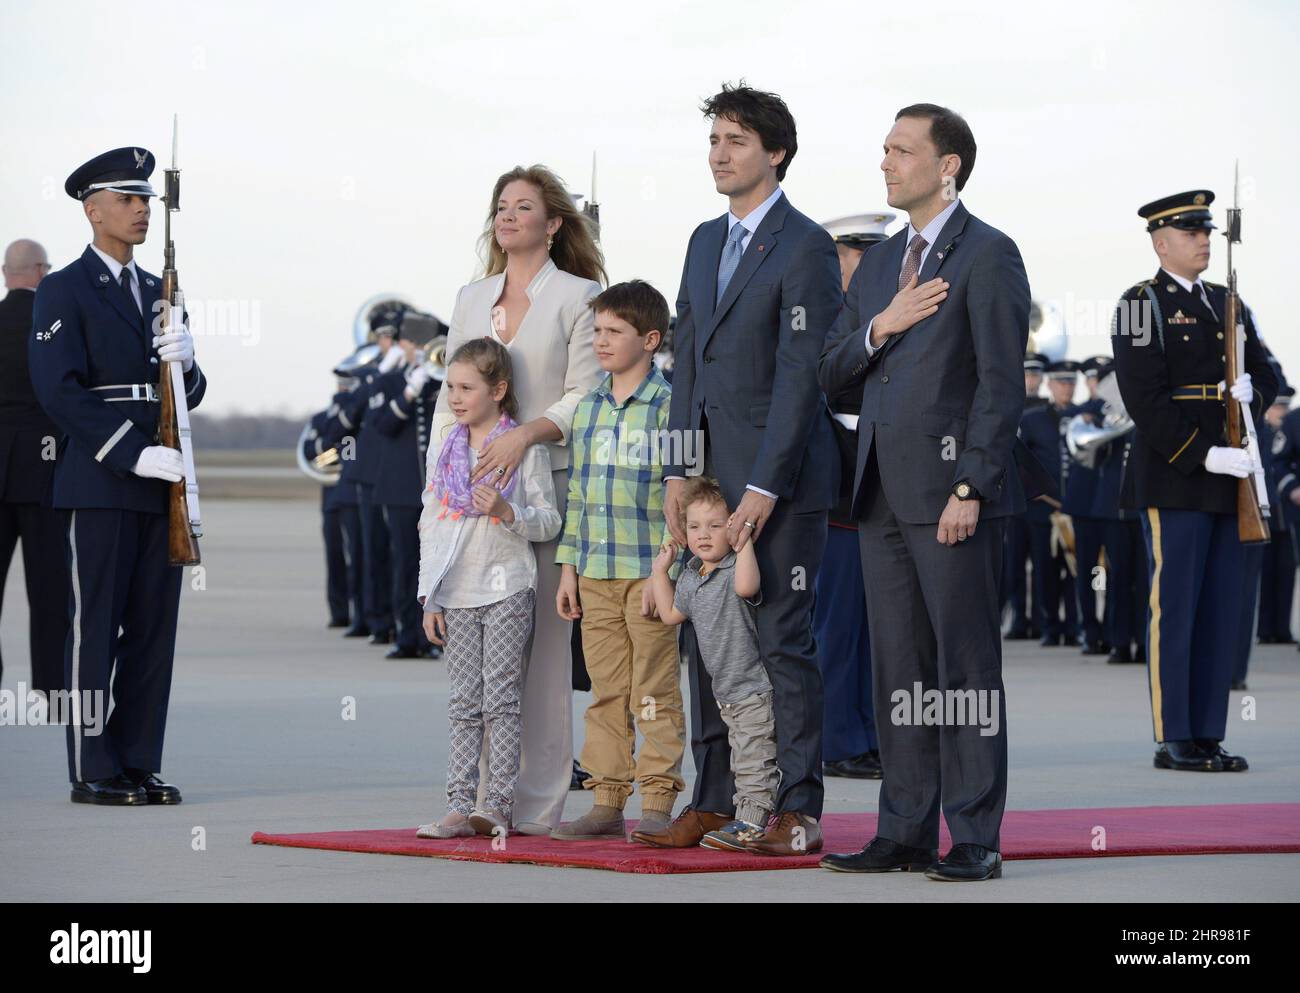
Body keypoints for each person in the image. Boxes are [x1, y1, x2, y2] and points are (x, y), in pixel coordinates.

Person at [818, 104, 1029, 881]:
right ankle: (904, 828)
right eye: (883, 148)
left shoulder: (990, 255)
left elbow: (1002, 386)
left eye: (902, 150)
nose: (886, 161)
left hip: (950, 497)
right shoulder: (878, 267)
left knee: (964, 670)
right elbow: (832, 369)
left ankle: (974, 833)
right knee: (899, 670)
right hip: (878, 497)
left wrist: (971, 481)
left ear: (949, 167)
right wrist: (883, 325)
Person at [634, 83, 842, 856]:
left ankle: (793, 804)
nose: (719, 154)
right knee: (707, 639)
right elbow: (686, 362)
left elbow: (802, 374)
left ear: (775, 153)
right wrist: (678, 473)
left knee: (780, 638)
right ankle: (718, 798)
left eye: (736, 141)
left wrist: (763, 485)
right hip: (707, 482)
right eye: (714, 140)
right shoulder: (699, 241)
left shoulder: (807, 245)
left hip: (778, 482)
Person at [429, 164, 605, 834]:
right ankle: (473, 799)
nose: (507, 216)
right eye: (501, 205)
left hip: (544, 486)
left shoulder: (580, 296)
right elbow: (454, 392)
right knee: (474, 663)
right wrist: (439, 480)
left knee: (542, 654)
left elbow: (585, 394)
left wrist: (524, 436)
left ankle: (534, 805)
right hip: (469, 498)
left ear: (553, 222)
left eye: (523, 206)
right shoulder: (471, 296)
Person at [29, 147, 207, 804]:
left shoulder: (160, 290)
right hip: (103, 478)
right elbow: (59, 389)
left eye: (146, 201)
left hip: (162, 481)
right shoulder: (64, 287)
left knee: (153, 629)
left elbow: (188, 389)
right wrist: (129, 450)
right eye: (128, 200)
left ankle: (138, 759)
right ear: (92, 208)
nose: (140, 211)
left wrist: (184, 363)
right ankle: (92, 765)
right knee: (96, 625)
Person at [1110, 189, 1276, 772]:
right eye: (1190, 233)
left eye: (1206, 232)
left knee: (1220, 609)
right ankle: (1173, 735)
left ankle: (1208, 732)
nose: (1204, 240)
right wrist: (1203, 454)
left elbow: (1270, 374)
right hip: (1177, 476)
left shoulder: (1229, 303)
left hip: (1231, 477)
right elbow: (1144, 401)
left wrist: (1254, 388)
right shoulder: (1140, 304)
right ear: (1161, 242)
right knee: (1175, 607)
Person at [548, 281, 685, 842]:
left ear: (650, 339)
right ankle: (607, 799)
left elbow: (686, 495)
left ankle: (657, 801)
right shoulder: (586, 409)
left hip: (647, 575)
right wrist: (568, 568)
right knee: (606, 691)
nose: (601, 341)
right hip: (595, 573)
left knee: (652, 690)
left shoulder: (673, 406)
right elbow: (578, 494)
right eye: (597, 330)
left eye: (614, 332)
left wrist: (666, 573)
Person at [415, 339, 561, 837]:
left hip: (507, 588)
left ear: (498, 390)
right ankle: (458, 803)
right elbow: (431, 521)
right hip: (455, 590)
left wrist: (506, 512)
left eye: (466, 387)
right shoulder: (444, 446)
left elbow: (548, 521)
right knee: (462, 701)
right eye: (450, 387)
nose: (455, 397)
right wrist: (428, 595)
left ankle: (496, 803)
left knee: (501, 700)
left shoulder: (522, 448)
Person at [648, 477, 778, 852]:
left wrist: (745, 543)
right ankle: (743, 819)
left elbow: (747, 588)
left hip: (752, 686)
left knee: (754, 758)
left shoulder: (734, 566)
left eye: (715, 526)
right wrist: (660, 573)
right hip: (726, 691)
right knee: (741, 755)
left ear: (732, 527)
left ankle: (752, 823)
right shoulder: (691, 574)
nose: (703, 535)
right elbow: (672, 614)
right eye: (694, 527)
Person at [815, 213, 894, 780]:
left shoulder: (889, 317)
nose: (867, 265)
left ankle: (868, 736)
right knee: (837, 627)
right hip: (836, 492)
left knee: (875, 628)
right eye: (856, 253)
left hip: (883, 487)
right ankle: (839, 739)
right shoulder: (820, 319)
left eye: (875, 254)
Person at [1, 238, 69, 694]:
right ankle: (56, 691)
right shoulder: (52, 327)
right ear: (42, 271)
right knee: (51, 594)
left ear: (6, 272)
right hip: (45, 474)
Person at [373, 320, 444, 659]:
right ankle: (406, 635)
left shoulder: (444, 381)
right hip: (400, 488)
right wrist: (409, 392)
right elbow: (382, 426)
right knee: (405, 563)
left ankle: (432, 636)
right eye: (412, 342)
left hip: (437, 488)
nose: (418, 349)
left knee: (435, 565)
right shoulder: (389, 381)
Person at [1020, 359, 1081, 647]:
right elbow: (1022, 463)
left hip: (1077, 509)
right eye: (1061, 382)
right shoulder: (1031, 419)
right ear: (1050, 384)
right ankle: (1050, 626)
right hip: (1043, 507)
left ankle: (1073, 626)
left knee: (1075, 571)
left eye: (1070, 382)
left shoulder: (1084, 417)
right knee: (1045, 569)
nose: (1066, 387)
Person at [301, 380, 353, 629]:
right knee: (334, 556)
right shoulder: (321, 417)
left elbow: (351, 452)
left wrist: (331, 450)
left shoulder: (354, 416)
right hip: (331, 495)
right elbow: (311, 451)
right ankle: (339, 612)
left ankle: (362, 611)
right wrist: (333, 450)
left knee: (359, 556)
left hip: (353, 494)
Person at [1003, 352, 1048, 640]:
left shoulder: (1049, 411)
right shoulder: (1009, 405)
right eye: (1027, 374)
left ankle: (1043, 620)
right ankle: (1019, 617)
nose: (1031, 380)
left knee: (1044, 565)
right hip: (1015, 501)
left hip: (1041, 502)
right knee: (1014, 564)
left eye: (1035, 375)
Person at [1255, 385, 1295, 646]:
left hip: (1287, 515)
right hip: (1265, 512)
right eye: (1277, 407)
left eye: (1284, 407)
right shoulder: (1261, 433)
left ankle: (1282, 628)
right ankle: (1265, 628)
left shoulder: (1288, 430)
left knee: (1286, 572)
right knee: (1266, 572)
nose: (1280, 412)